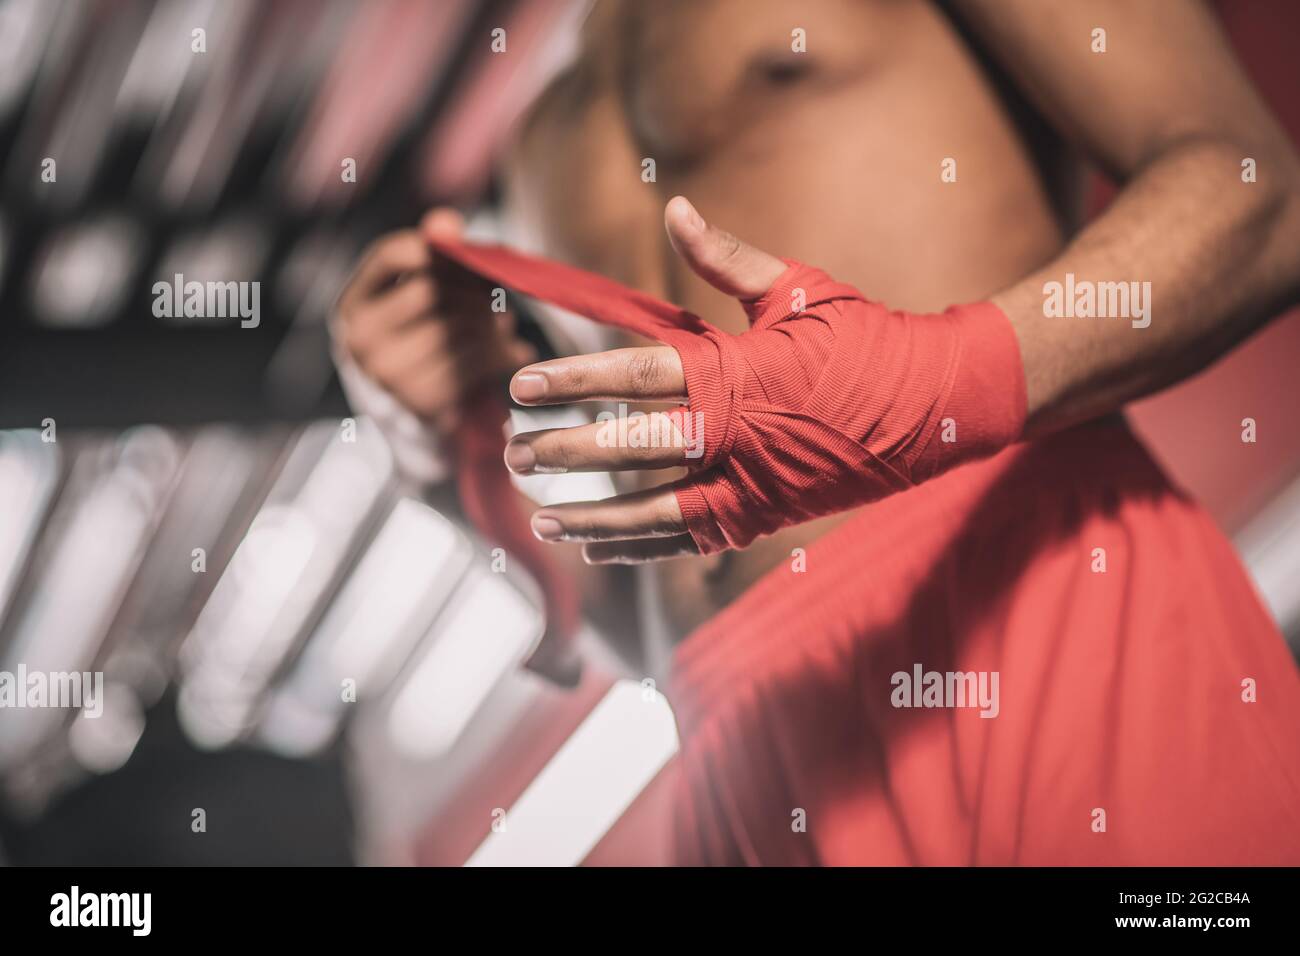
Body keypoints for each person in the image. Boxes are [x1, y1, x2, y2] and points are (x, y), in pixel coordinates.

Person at [332, 0, 1300, 864]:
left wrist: (939, 380)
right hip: (732, 747)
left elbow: (1260, 196)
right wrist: (442, 452)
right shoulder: (542, 124)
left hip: (1028, 618)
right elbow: (654, 604)